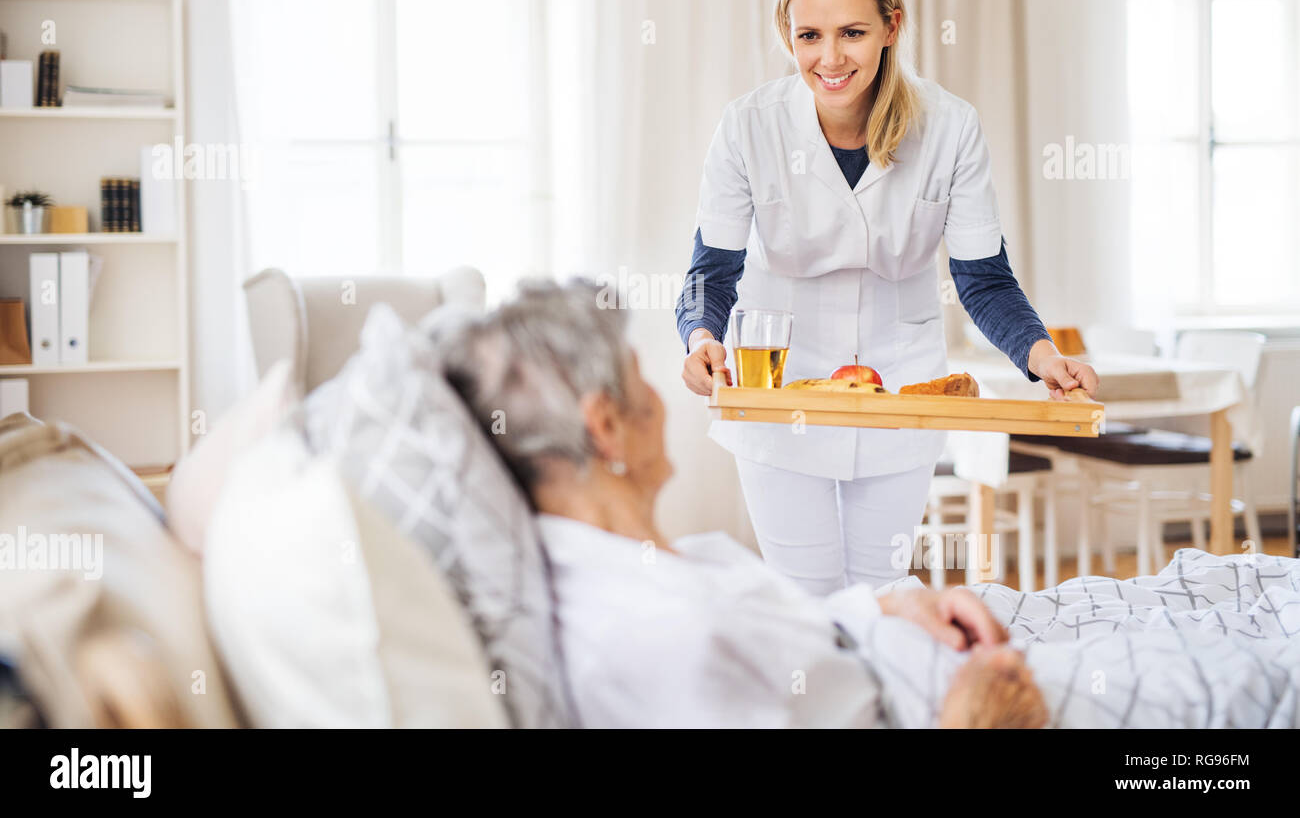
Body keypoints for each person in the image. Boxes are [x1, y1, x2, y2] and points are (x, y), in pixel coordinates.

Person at [438, 280, 1300, 729]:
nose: (661, 395)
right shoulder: (656, 639)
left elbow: (802, 634)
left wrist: (894, 601)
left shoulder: (636, 567)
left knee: (1222, 585)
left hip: (941, 636)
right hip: (976, 696)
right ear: (604, 425)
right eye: (639, 380)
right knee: (1258, 679)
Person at [675, 0, 1099, 594]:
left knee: (880, 593)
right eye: (808, 35)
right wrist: (700, 338)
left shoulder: (950, 127)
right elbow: (712, 270)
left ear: (891, 26)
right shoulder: (747, 127)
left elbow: (983, 279)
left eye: (851, 32)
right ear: (787, 34)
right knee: (807, 596)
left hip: (901, 385)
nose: (829, 57)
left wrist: (1044, 357)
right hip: (779, 384)